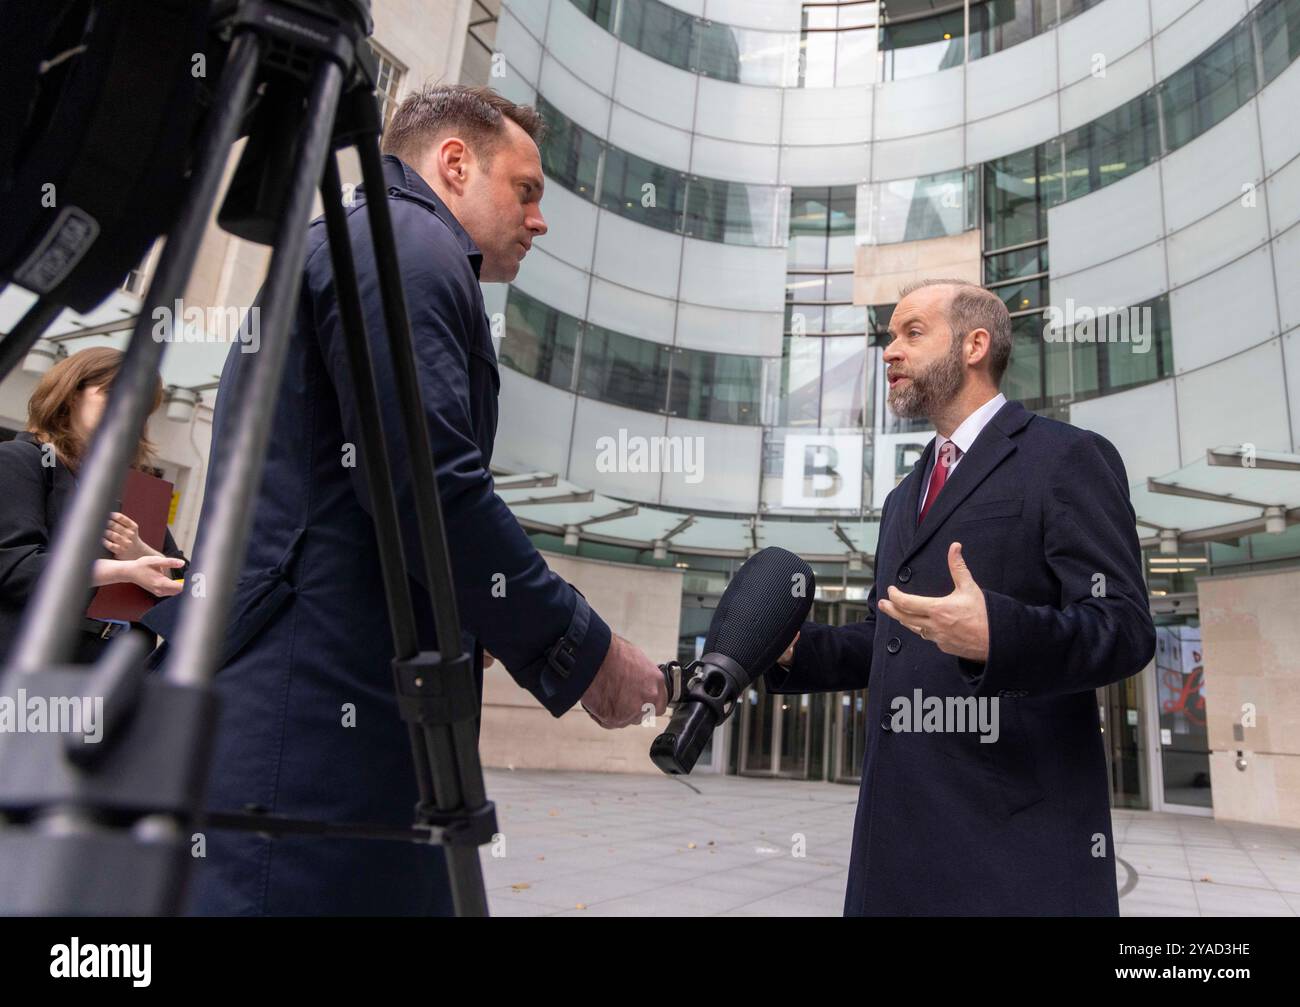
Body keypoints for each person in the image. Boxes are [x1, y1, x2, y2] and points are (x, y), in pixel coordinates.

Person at [142, 84, 667, 916]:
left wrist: (462, 621)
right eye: (526, 191)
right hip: (317, 732)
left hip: (324, 714)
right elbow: (427, 486)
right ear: (454, 164)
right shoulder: (409, 248)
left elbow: (370, 499)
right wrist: (586, 653)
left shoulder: (367, 244)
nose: (540, 221)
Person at [770, 279, 1155, 916]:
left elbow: (1123, 627)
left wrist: (997, 635)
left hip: (1012, 850)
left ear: (975, 344)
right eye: (889, 336)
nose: (889, 350)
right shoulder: (904, 496)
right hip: (893, 844)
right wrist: (792, 651)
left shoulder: (1066, 458)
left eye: (911, 332)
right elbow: (889, 633)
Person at [0, 347, 185, 666]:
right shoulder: (22, 460)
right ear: (72, 394)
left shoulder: (134, 487)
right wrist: (125, 570)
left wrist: (143, 554)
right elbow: (16, 567)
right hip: (36, 661)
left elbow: (187, 582)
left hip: (116, 669)